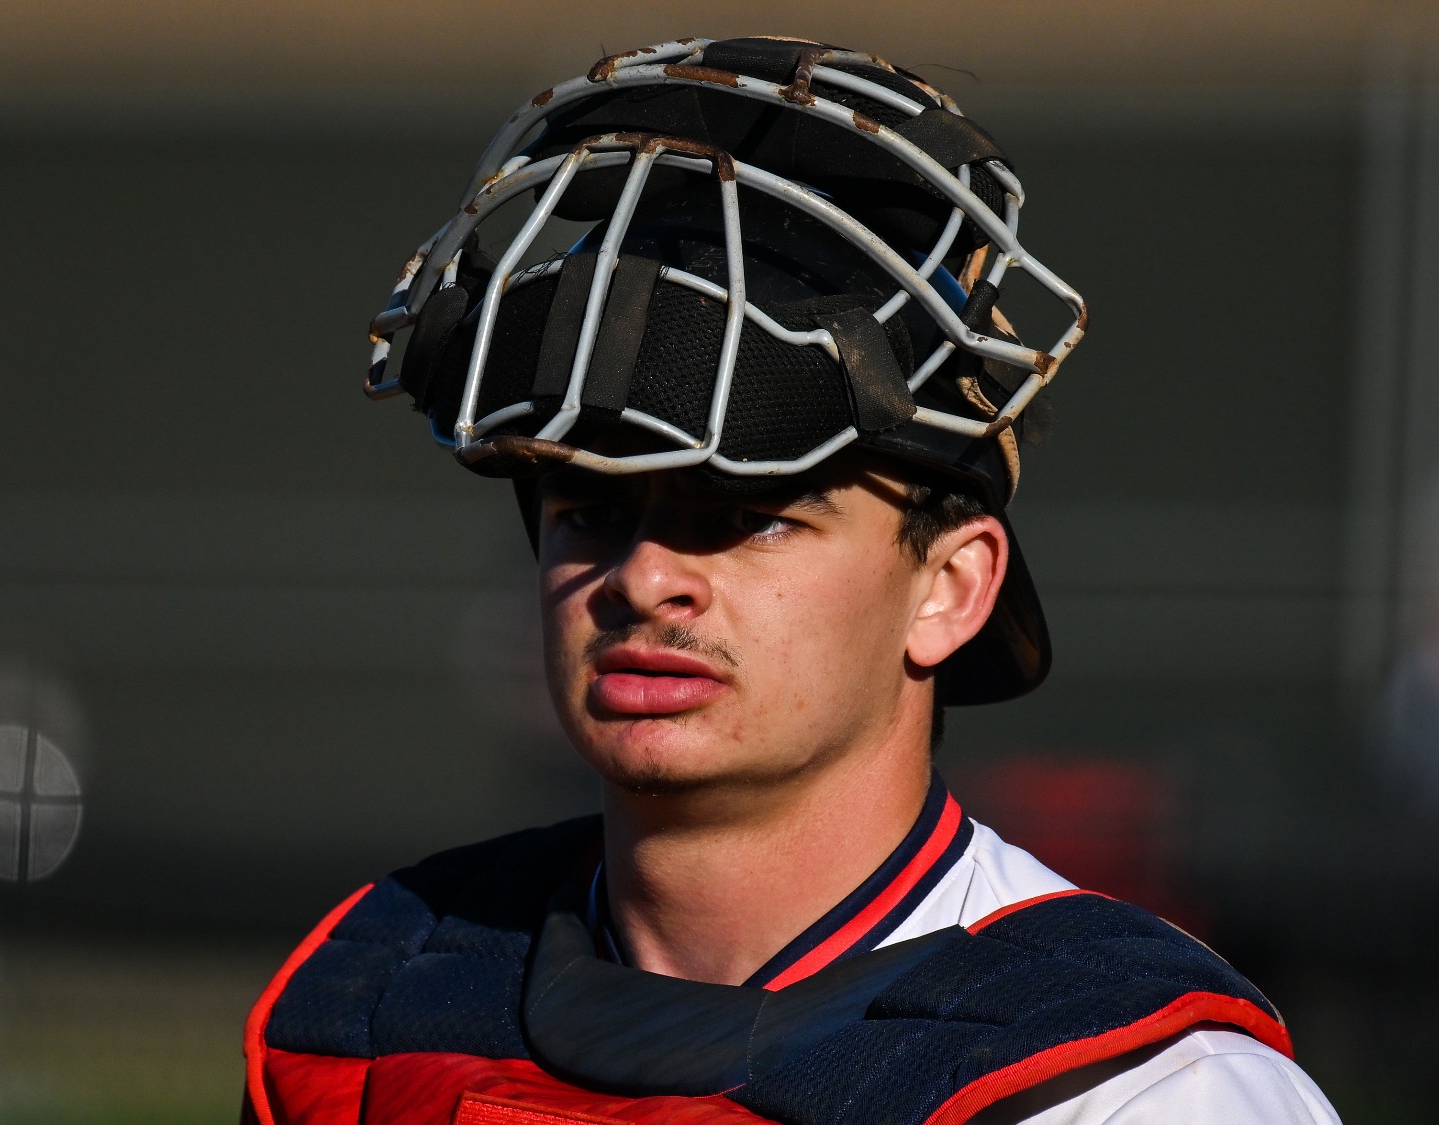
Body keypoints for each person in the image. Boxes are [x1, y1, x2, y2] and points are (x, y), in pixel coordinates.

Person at [241, 37, 1339, 1125]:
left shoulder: (1131, 1092)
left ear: (949, 590)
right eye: (592, 511)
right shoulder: (376, 1003)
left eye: (751, 519)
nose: (646, 576)